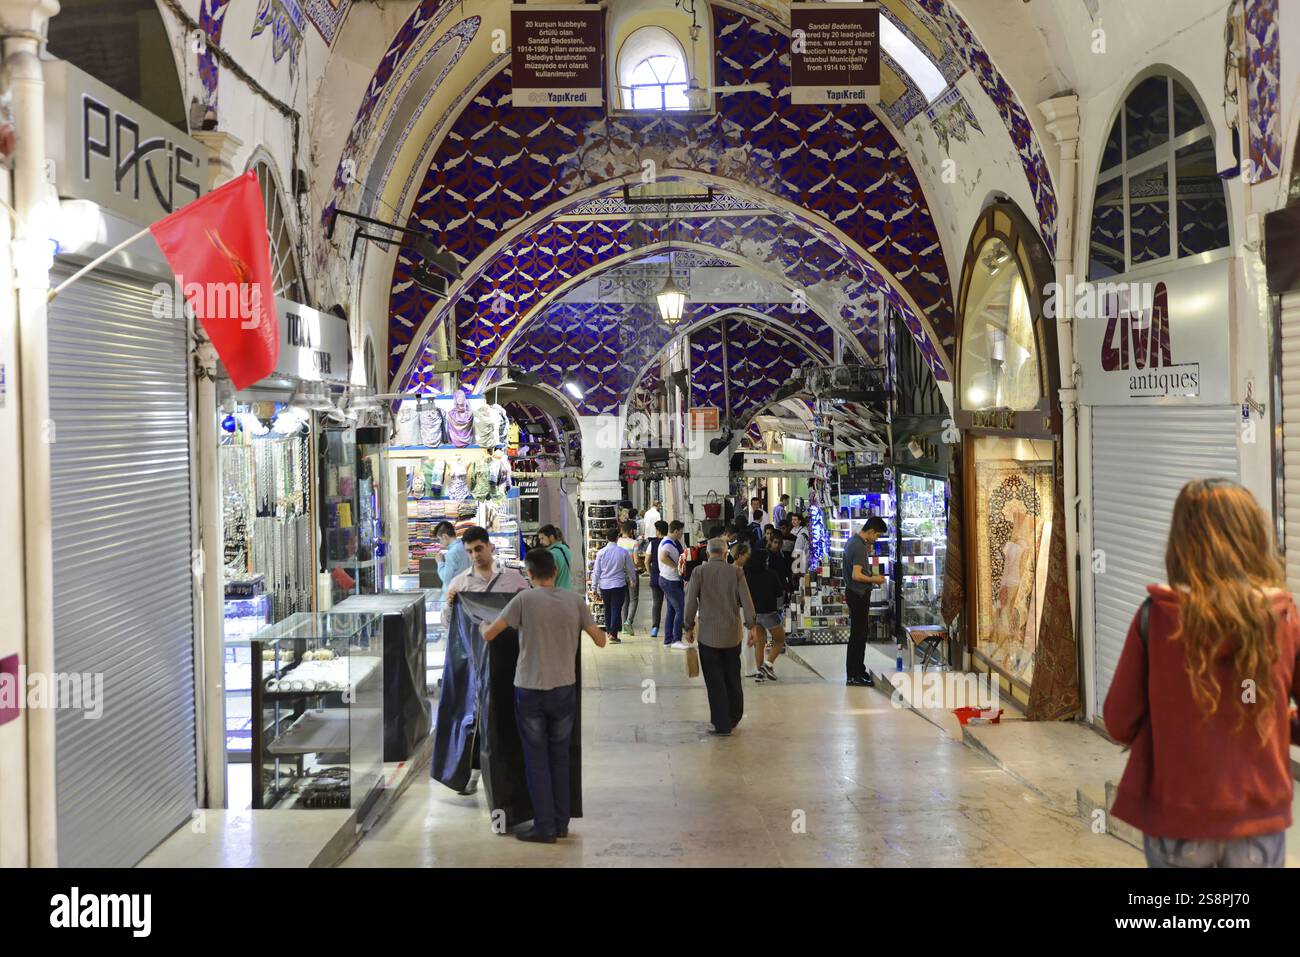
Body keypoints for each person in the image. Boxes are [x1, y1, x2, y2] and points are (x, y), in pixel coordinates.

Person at [1104, 478, 1300, 869]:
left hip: (1177, 815)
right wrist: (1278, 718)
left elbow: (1118, 721)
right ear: (1252, 537)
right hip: (1256, 817)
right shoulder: (1283, 619)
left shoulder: (1155, 616)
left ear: (1181, 541)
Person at [481, 547, 607, 844]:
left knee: (536, 760)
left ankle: (544, 826)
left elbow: (490, 635)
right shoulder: (575, 601)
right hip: (564, 690)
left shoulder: (523, 600)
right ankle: (561, 823)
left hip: (530, 690)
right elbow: (600, 640)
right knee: (560, 757)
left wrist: (482, 625)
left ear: (529, 574)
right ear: (555, 572)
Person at [442, 525, 530, 795]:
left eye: (478, 548)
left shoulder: (514, 580)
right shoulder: (461, 583)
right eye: (469, 551)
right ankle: (474, 774)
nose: (475, 555)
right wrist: (449, 605)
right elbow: (451, 627)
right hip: (476, 664)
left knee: (506, 716)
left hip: (510, 661)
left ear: (490, 546)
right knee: (477, 718)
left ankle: (511, 778)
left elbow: (530, 614)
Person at [683, 537, 757, 736]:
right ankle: (734, 715)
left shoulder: (699, 572)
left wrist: (688, 626)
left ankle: (721, 723)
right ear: (726, 554)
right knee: (733, 676)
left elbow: (690, 603)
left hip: (708, 636)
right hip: (732, 635)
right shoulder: (736, 572)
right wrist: (752, 626)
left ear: (707, 554)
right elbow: (747, 602)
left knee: (715, 680)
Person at [843, 517, 888, 687]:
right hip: (858, 594)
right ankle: (854, 675)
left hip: (855, 593)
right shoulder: (859, 546)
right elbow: (856, 575)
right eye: (876, 535)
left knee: (859, 633)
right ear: (870, 532)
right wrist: (874, 579)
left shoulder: (852, 542)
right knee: (858, 635)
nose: (876, 539)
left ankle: (858, 670)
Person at [745, 548, 788, 682]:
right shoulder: (771, 574)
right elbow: (779, 593)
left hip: (755, 614)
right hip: (769, 612)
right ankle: (767, 664)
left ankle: (759, 673)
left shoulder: (748, 576)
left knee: (760, 643)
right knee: (780, 640)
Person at [590, 524, 636, 644]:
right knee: (616, 608)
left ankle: (609, 632)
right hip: (619, 584)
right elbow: (630, 568)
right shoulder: (623, 552)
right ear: (617, 537)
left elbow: (596, 571)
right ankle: (613, 634)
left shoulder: (601, 553)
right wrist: (633, 579)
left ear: (606, 538)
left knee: (607, 608)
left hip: (604, 585)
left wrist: (593, 587)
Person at [659, 520, 687, 649]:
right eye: (681, 531)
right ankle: (676, 639)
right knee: (680, 610)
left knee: (671, 610)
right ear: (676, 531)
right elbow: (663, 557)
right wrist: (676, 567)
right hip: (670, 580)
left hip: (669, 580)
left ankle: (668, 639)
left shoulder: (671, 542)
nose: (682, 533)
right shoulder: (668, 544)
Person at [617, 520, 642, 635]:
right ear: (631, 530)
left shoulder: (617, 542)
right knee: (634, 599)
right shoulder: (634, 543)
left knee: (624, 601)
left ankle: (623, 627)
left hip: (621, 574)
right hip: (632, 574)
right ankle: (629, 621)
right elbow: (636, 561)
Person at [645, 520, 668, 639]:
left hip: (656, 577)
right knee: (671, 603)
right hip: (669, 578)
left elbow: (646, 561)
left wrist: (651, 573)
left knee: (656, 603)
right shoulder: (671, 543)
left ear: (658, 531)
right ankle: (673, 627)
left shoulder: (652, 544)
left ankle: (655, 628)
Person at [435, 521, 469, 596]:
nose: (440, 542)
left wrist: (440, 562)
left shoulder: (452, 553)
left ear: (444, 536)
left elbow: (446, 579)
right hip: (465, 591)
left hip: (453, 595)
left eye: (439, 539)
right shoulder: (465, 546)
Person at [536, 524, 572, 591]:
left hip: (556, 593)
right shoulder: (566, 548)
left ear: (551, 537)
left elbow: (549, 579)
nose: (540, 542)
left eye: (542, 538)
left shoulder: (551, 554)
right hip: (568, 591)